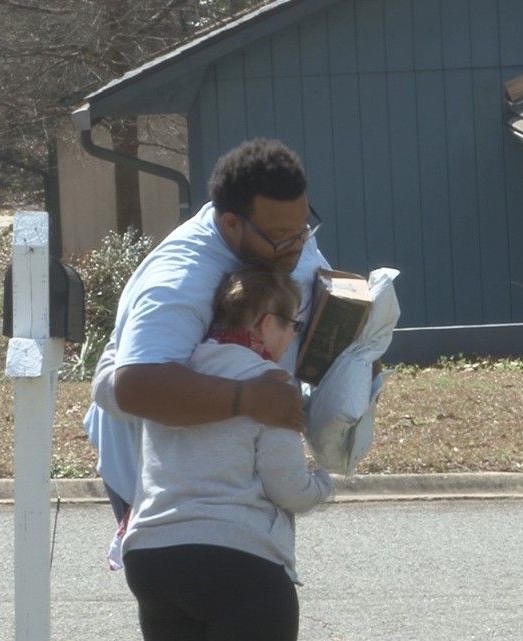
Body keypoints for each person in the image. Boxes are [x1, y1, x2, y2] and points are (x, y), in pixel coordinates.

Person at [82, 138, 330, 546]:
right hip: (158, 496)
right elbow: (135, 387)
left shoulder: (282, 236)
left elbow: (316, 282)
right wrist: (249, 399)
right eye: (282, 238)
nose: (297, 247)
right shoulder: (181, 281)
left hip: (230, 481)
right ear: (231, 223)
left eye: (303, 229)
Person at [121, 265, 334, 641]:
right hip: (236, 560)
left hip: (152, 557)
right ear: (267, 323)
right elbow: (288, 487)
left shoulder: (174, 370)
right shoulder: (270, 385)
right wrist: (326, 482)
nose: (291, 338)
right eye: (292, 326)